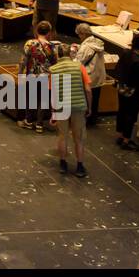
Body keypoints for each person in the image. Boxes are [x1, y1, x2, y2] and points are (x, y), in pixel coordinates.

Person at [49, 44, 91, 177]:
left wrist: (53, 111)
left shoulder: (53, 69)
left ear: (58, 55)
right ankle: (79, 166)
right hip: (78, 106)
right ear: (70, 54)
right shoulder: (80, 67)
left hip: (61, 106)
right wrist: (89, 106)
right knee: (79, 138)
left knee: (63, 136)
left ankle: (63, 164)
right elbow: (88, 90)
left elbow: (53, 93)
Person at [17, 21, 57, 133]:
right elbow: (55, 63)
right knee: (43, 100)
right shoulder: (51, 46)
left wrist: (20, 73)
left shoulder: (30, 43)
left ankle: (28, 122)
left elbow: (23, 60)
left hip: (32, 75)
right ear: (49, 32)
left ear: (36, 30)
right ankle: (39, 124)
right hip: (46, 76)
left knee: (32, 98)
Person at [115, 33, 139, 150]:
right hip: (133, 92)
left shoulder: (125, 53)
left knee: (121, 111)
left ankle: (119, 135)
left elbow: (118, 68)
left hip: (121, 87)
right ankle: (126, 140)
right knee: (130, 115)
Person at [75, 24, 107, 127]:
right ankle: (93, 119)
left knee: (86, 100)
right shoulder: (98, 42)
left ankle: (85, 120)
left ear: (83, 34)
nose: (79, 37)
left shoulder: (85, 47)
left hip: (89, 76)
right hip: (99, 75)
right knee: (95, 99)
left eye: (79, 34)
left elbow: (78, 62)